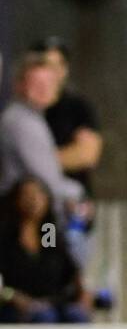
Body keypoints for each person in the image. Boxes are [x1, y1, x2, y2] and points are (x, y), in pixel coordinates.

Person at [0, 54, 86, 221]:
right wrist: (80, 194)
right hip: (23, 221)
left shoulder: (33, 118)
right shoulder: (21, 121)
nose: (43, 89)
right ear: (20, 86)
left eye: (49, 83)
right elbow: (48, 182)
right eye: (36, 83)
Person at [0, 178, 90, 323]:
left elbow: (67, 268)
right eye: (27, 195)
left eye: (38, 194)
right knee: (44, 317)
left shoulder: (48, 233)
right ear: (15, 200)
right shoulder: (7, 237)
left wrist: (83, 292)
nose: (33, 199)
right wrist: (14, 297)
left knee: (76, 315)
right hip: (16, 305)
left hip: (51, 302)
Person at [28, 38, 102, 194]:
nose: (51, 74)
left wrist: (34, 160)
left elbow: (87, 154)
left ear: (65, 69)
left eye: (56, 66)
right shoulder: (21, 112)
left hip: (70, 202)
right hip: (30, 204)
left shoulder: (77, 107)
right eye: (45, 66)